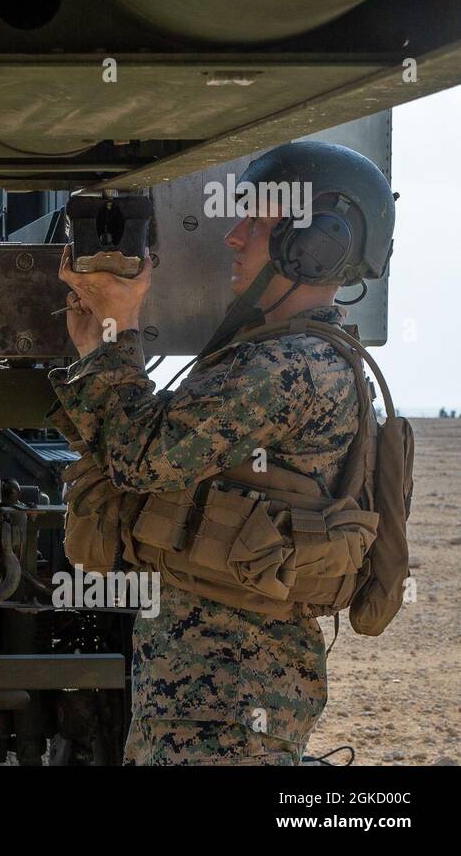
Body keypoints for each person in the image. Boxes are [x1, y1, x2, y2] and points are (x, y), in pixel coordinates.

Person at [50, 141, 396, 764]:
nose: (234, 238)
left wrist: (116, 337)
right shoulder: (292, 354)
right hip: (220, 679)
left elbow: (141, 457)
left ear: (312, 243)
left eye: (256, 223)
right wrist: (103, 342)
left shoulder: (288, 367)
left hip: (226, 692)